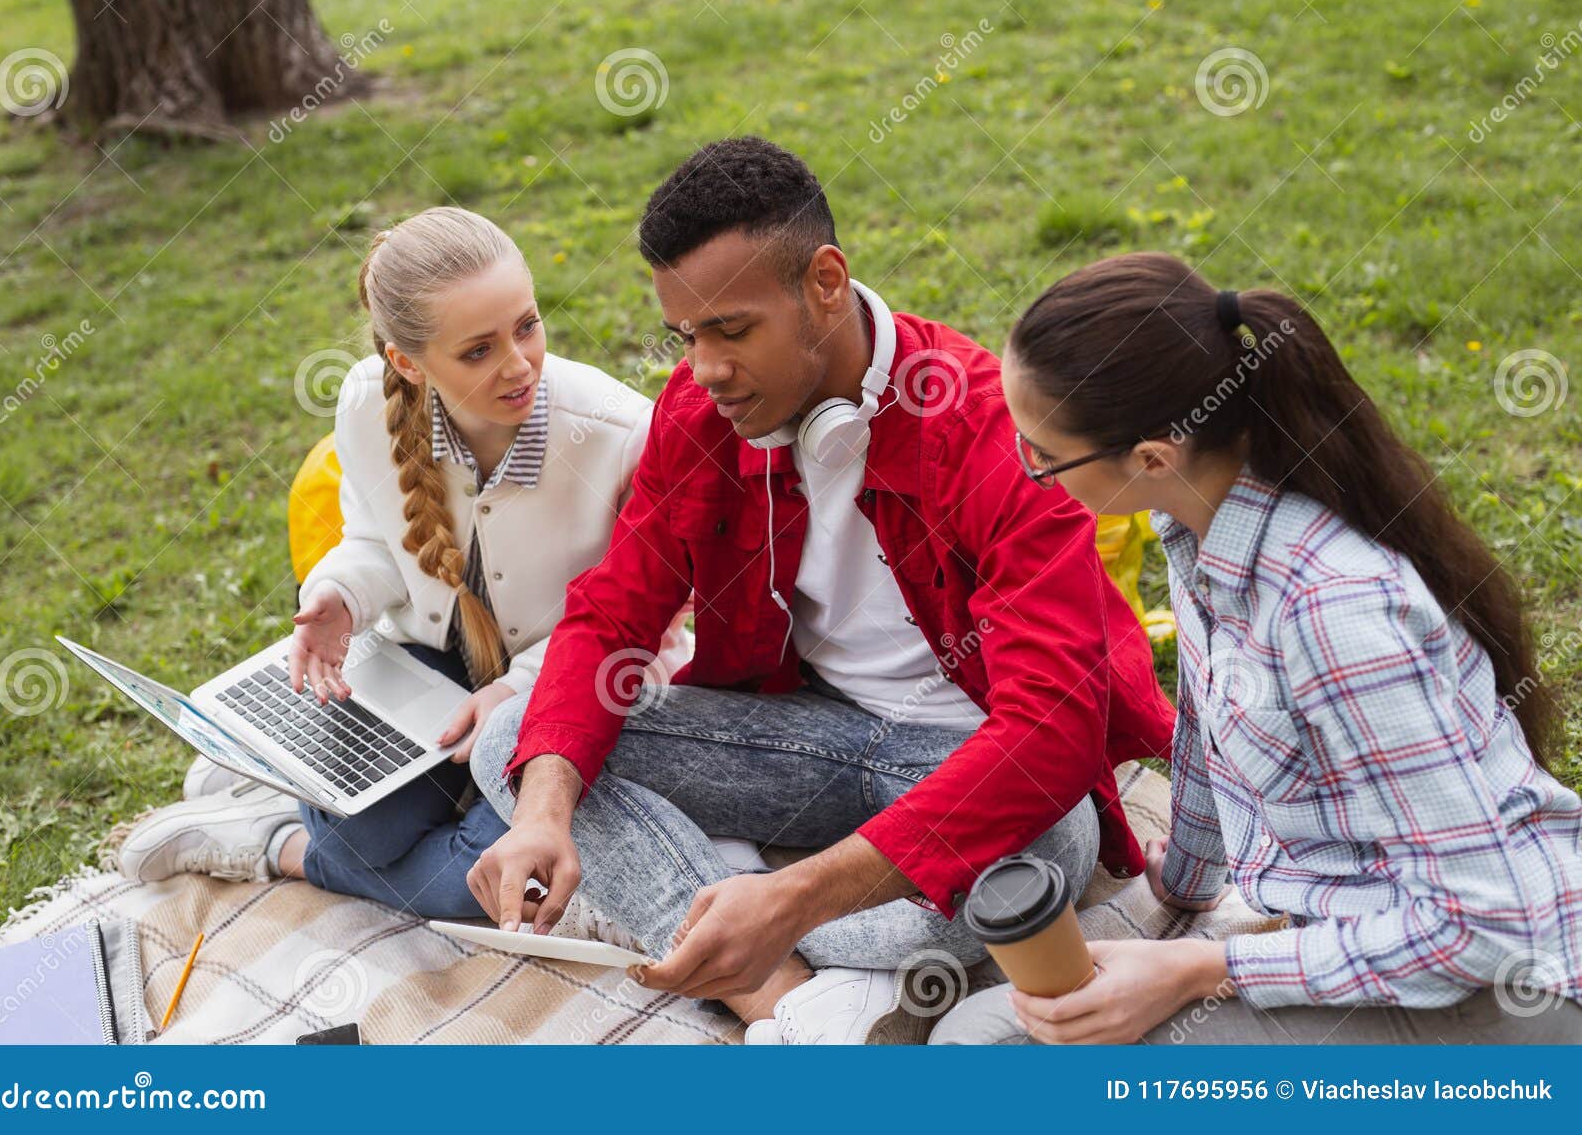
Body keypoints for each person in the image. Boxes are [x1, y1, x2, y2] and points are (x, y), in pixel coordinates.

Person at [465, 137, 1176, 1044]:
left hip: (980, 757)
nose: (706, 366)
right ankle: (796, 999)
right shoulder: (700, 412)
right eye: (688, 335)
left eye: (732, 328)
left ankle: (746, 933)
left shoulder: (990, 427)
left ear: (827, 282)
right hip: (810, 740)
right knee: (516, 750)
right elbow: (612, 614)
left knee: (1051, 857)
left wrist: (793, 896)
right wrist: (543, 813)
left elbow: (1050, 731)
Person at [932, 250, 1582, 1044]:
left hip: (1510, 998)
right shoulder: (1200, 530)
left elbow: (1484, 925)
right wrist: (1184, 886)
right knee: (989, 1031)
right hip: (1361, 928)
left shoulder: (1330, 611)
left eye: (1044, 453)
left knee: (990, 1051)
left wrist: (1204, 970)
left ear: (1150, 459)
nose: (1026, 469)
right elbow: (1209, 735)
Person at [117, 206, 687, 919]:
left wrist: (516, 689)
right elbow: (377, 541)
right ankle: (306, 814)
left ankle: (275, 844)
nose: (519, 364)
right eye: (478, 350)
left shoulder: (619, 434)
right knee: (364, 835)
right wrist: (339, 594)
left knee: (494, 888)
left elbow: (654, 624)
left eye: (528, 325)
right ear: (407, 363)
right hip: (428, 665)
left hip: (560, 697)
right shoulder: (366, 401)